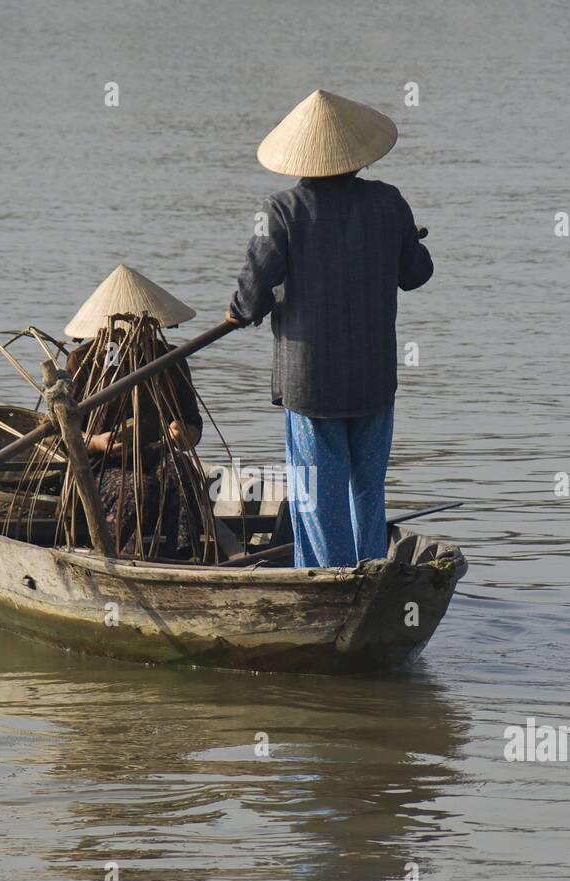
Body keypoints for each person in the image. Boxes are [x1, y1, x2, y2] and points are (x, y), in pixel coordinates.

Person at [225, 90, 433, 568]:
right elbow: (416, 274)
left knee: (318, 496)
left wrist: (239, 310)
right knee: (367, 487)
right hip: (373, 378)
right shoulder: (388, 202)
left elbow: (253, 290)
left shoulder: (283, 210)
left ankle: (331, 582)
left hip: (312, 384)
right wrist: (407, 240)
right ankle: (372, 575)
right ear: (355, 156)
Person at [63, 265, 206, 558]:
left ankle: (181, 558)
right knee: (138, 488)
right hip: (99, 468)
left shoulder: (168, 359)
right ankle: (125, 560)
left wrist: (183, 434)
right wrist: (98, 442)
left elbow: (192, 424)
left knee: (181, 473)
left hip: (154, 458)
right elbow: (63, 435)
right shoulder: (83, 362)